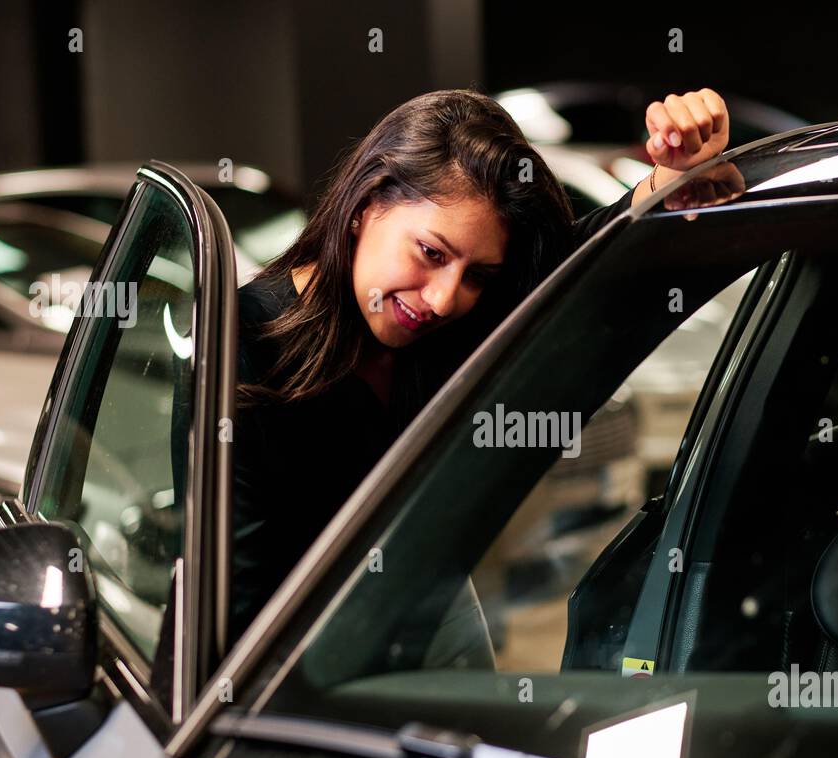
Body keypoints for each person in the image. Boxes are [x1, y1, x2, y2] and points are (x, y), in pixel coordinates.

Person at [227, 87, 731, 647]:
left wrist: (669, 181)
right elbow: (238, 608)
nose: (444, 300)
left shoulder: (452, 325)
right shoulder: (245, 344)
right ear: (366, 204)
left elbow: (579, 274)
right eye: (431, 253)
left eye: (476, 275)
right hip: (275, 666)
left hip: (416, 628)